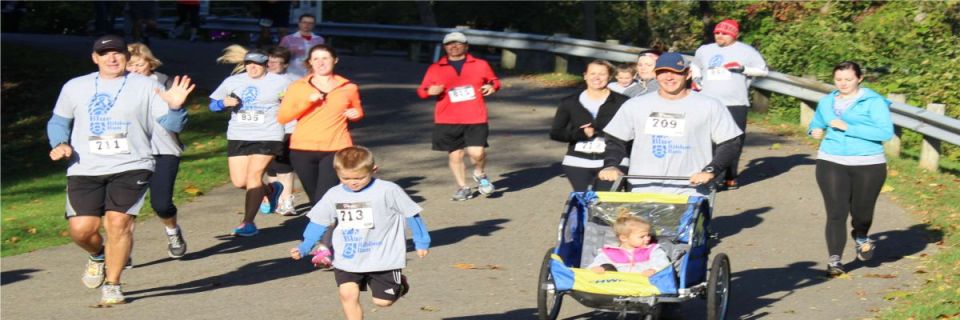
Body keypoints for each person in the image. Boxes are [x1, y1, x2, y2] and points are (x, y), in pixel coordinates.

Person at [46, 35, 194, 304]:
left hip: (133, 164)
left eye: (118, 53)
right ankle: (97, 255)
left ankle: (113, 284)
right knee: (81, 230)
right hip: (84, 166)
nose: (112, 58)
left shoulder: (146, 85)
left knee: (118, 223)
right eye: (105, 54)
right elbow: (58, 121)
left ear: (126, 57)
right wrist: (59, 143)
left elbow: (173, 125)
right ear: (95, 58)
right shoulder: (75, 87)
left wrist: (176, 106)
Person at [290, 146, 431, 320]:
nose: (352, 182)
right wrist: (305, 246)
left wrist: (421, 240)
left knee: (382, 302)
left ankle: (399, 284)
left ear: (373, 170)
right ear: (337, 172)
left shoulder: (388, 190)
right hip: (347, 255)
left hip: (383, 257)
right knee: (347, 294)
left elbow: (411, 213)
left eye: (359, 177)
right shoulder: (334, 194)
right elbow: (318, 221)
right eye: (345, 178)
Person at [598, 52, 743, 196]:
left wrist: (711, 170)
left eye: (676, 72)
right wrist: (611, 165)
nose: (669, 77)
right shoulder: (635, 105)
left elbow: (730, 142)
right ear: (656, 74)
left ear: (688, 74)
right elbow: (615, 139)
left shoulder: (709, 105)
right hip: (642, 189)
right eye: (663, 72)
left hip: (692, 191)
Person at [808, 61, 893, 277]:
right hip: (831, 160)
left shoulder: (873, 102)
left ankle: (861, 235)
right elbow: (817, 122)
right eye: (838, 80)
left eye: (848, 79)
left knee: (862, 213)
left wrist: (849, 128)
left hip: (868, 163)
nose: (843, 84)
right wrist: (815, 129)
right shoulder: (827, 101)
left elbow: (885, 133)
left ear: (859, 78)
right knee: (836, 212)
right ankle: (834, 260)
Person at [210, 48, 291, 236]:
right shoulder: (233, 82)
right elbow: (212, 104)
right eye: (248, 64)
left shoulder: (281, 82)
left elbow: (295, 102)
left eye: (257, 64)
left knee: (254, 176)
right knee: (240, 181)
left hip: (268, 134)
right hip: (239, 134)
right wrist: (223, 104)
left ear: (266, 65)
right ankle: (270, 191)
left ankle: (248, 222)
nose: (252, 68)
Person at [417, 31, 501, 201]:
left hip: (475, 117)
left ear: (466, 46)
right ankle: (463, 187)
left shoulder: (480, 64)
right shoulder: (435, 68)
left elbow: (494, 81)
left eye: (458, 43)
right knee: (455, 155)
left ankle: (480, 174)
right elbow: (422, 90)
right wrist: (429, 92)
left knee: (477, 153)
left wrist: (492, 87)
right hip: (447, 118)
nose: (453, 47)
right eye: (449, 44)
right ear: (445, 47)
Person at [278, 44, 363, 207]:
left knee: (324, 197)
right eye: (316, 59)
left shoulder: (349, 87)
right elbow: (283, 117)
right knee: (315, 200)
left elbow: (357, 110)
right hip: (302, 149)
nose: (320, 62)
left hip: (335, 148)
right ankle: (325, 228)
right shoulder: (298, 87)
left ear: (335, 60)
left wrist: (356, 114)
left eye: (325, 58)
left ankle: (328, 230)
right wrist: (307, 102)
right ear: (310, 62)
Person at [126, 42, 187, 258]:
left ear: (150, 64)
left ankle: (173, 232)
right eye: (130, 65)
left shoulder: (163, 83)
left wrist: (175, 108)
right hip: (129, 153)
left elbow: (175, 125)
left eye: (139, 65)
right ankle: (122, 250)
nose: (134, 70)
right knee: (124, 208)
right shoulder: (117, 87)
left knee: (161, 204)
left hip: (163, 150)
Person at [692, 19, 769, 190]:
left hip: (735, 103)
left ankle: (730, 176)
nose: (720, 36)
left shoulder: (746, 51)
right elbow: (695, 65)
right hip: (708, 102)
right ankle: (709, 175)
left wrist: (742, 69)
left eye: (724, 33)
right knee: (707, 139)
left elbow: (763, 70)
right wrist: (696, 80)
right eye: (717, 33)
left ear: (734, 35)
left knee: (733, 141)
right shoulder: (705, 50)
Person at [551, 60, 630, 192]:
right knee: (584, 202)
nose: (597, 78)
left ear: (610, 77)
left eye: (602, 74)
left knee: (603, 203)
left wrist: (604, 132)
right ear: (585, 75)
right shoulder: (570, 102)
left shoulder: (623, 102)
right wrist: (580, 134)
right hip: (577, 161)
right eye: (592, 73)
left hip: (614, 161)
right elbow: (556, 132)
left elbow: (632, 132)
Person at [258, 45, 301, 216]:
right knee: (270, 165)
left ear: (286, 65)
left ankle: (287, 200)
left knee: (283, 164)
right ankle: (272, 197)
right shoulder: (259, 80)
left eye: (277, 62)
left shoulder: (291, 82)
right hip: (262, 129)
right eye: (269, 62)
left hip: (286, 128)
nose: (272, 65)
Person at [588, 208, 670, 276]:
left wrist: (654, 270)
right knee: (606, 267)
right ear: (624, 238)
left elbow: (663, 264)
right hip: (618, 286)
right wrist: (598, 268)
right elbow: (594, 266)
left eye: (648, 235)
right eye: (642, 236)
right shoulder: (610, 253)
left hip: (645, 285)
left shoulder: (652, 251)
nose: (647, 239)